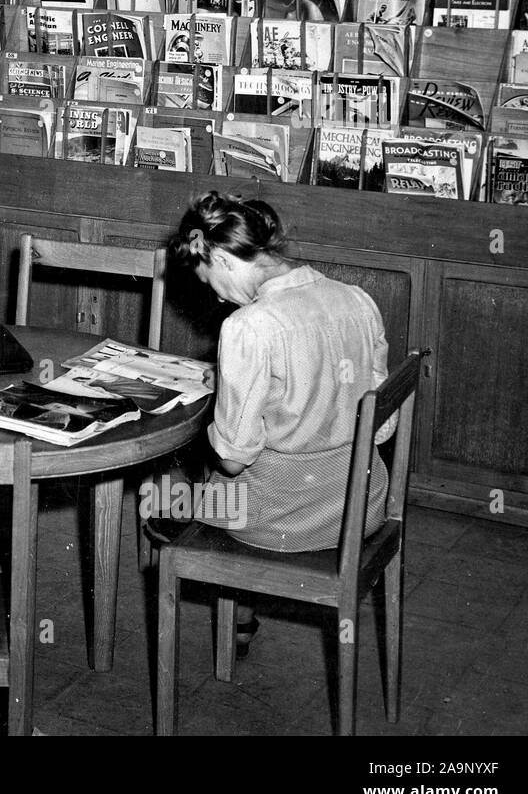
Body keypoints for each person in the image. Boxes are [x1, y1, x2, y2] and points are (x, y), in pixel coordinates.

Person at [158, 192, 394, 655]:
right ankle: (239, 619)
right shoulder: (357, 300)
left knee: (165, 494)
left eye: (211, 281)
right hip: (362, 506)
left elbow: (232, 457)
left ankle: (234, 610)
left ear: (223, 257)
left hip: (284, 518)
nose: (217, 296)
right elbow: (380, 428)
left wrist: (226, 407)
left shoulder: (249, 325)